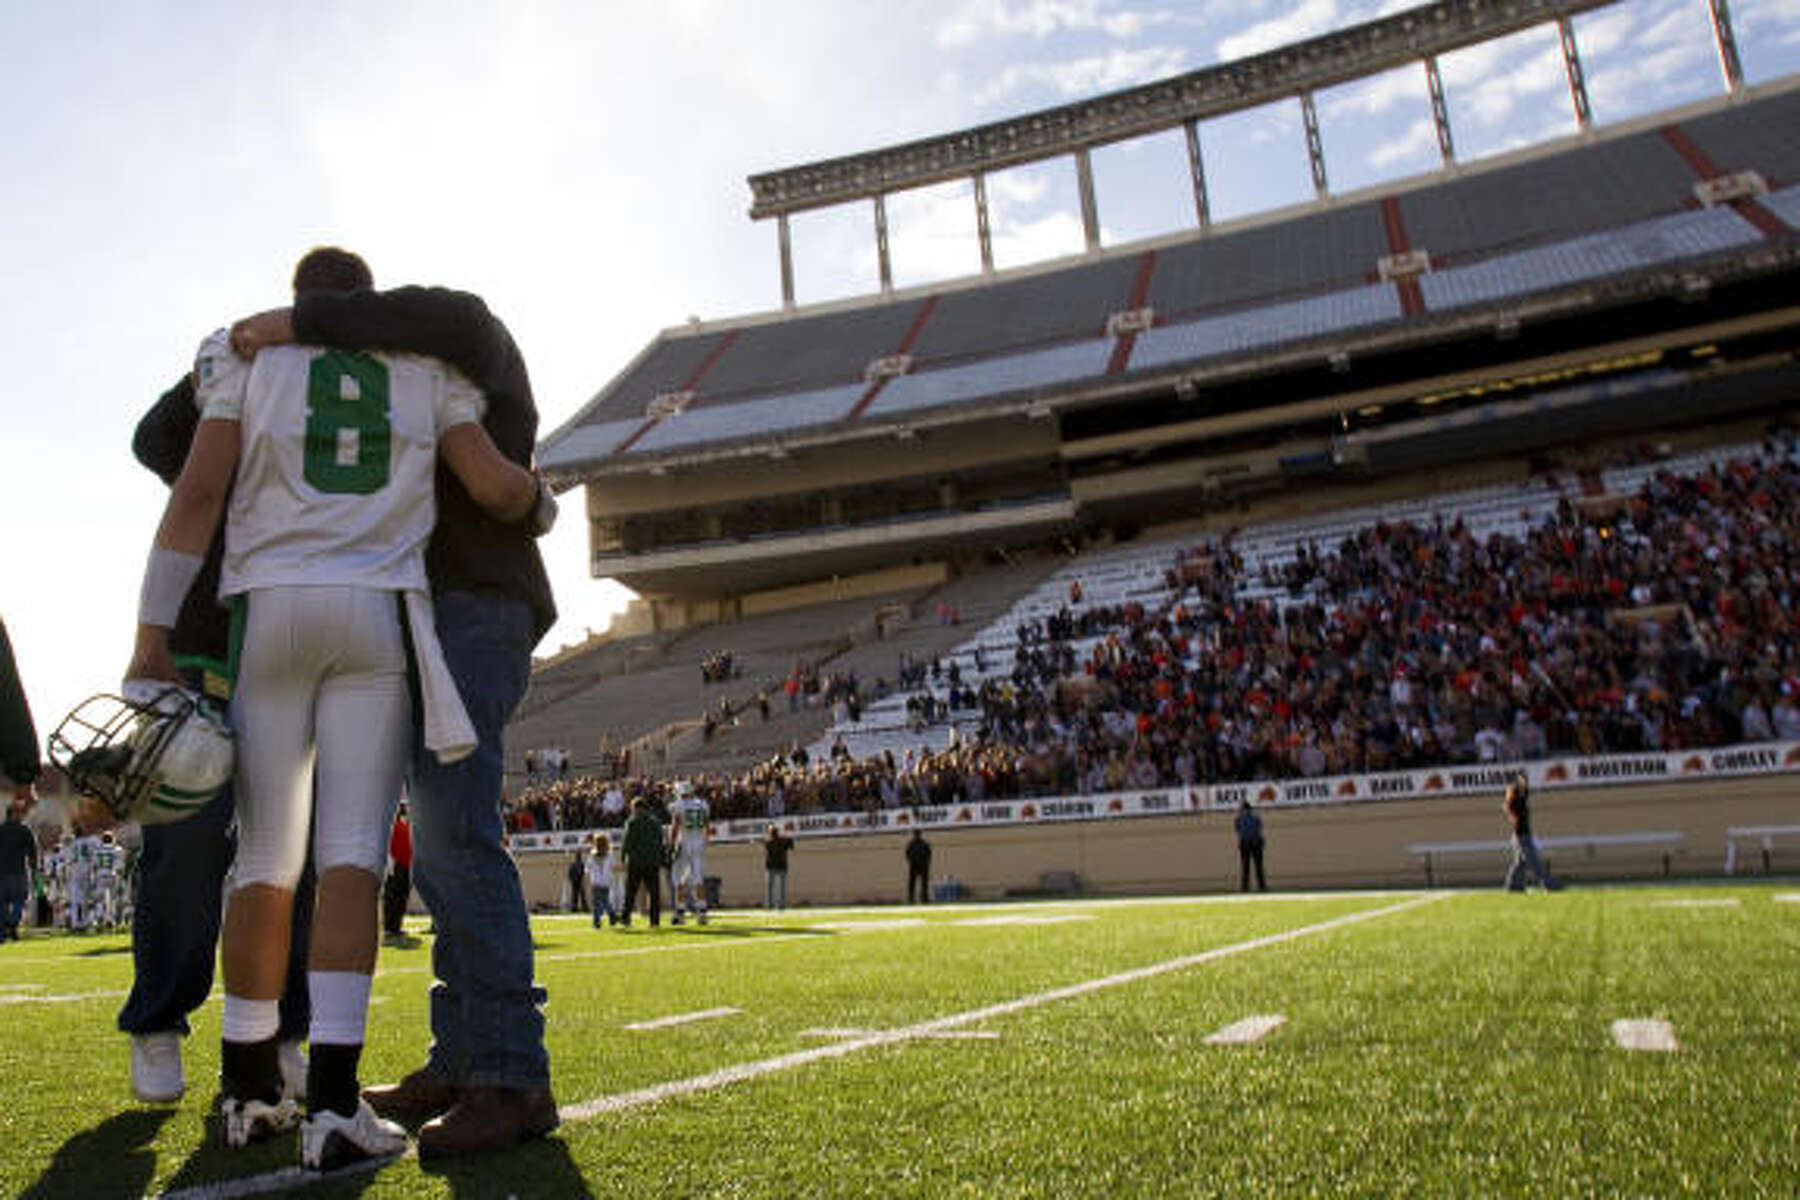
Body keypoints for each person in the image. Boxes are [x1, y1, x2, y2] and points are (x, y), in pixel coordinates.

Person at [128, 246, 540, 1170]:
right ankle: (333, 1106)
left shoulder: (244, 353)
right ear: (370, 300)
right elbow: (492, 486)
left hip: (266, 612)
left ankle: (248, 1088)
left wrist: (152, 634)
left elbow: (194, 492)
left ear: (299, 299)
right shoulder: (427, 364)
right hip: (377, 614)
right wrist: (537, 500)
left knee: (264, 860)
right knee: (350, 858)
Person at [230, 275, 561, 1158]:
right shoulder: (419, 374)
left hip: (474, 603)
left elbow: (438, 318)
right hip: (425, 611)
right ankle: (462, 1056)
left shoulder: (463, 335)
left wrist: (300, 322)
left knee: (455, 837)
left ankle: (511, 1075)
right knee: (441, 846)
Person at [123, 283, 324, 1110]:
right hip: (209, 639)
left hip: (293, 639)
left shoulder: (336, 399)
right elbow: (156, 443)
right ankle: (159, 1018)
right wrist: (209, 373)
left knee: (296, 857)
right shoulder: (242, 381)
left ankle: (279, 1032)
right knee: (187, 838)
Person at [1503, 771, 1561, 892]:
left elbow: (1526, 792)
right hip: (1522, 836)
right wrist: (1522, 781)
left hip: (1521, 836)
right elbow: (1524, 793)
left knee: (1520, 863)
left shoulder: (1518, 800)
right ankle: (1549, 884)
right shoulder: (1517, 802)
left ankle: (1513, 885)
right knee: (1535, 862)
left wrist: (1523, 779)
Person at [667, 782, 710, 926]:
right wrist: (704, 841)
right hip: (698, 844)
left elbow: (675, 826)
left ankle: (680, 913)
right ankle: (702, 911)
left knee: (678, 878)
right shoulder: (702, 804)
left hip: (684, 843)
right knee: (698, 879)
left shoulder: (679, 806)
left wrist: (671, 845)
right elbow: (707, 825)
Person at [620, 798, 664, 927]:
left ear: (637, 808)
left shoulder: (632, 822)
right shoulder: (655, 822)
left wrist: (623, 858)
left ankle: (625, 918)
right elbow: (660, 841)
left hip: (636, 861)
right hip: (652, 861)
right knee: (654, 893)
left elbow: (627, 842)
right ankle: (654, 920)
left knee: (630, 893)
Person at [0, 800, 37, 943]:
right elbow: (33, 851)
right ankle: (12, 924)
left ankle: (3, 930)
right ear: (14, 814)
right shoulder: (24, 830)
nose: (22, 816)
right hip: (18, 872)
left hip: (1, 873)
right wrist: (34, 869)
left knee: (1, 903)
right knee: (19, 900)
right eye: (20, 813)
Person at [383, 804, 414, 943]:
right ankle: (390, 927)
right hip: (396, 865)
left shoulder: (405, 826)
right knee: (393, 897)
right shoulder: (392, 827)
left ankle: (396, 926)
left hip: (406, 865)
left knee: (402, 897)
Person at [586, 832, 618, 928]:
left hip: (596, 882)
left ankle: (597, 921)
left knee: (597, 903)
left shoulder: (592, 856)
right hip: (605, 882)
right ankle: (611, 914)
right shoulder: (609, 855)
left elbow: (587, 869)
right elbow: (613, 866)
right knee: (605, 901)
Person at [1234, 800, 1266, 893]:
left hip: (1246, 843)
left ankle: (1245, 887)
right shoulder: (1256, 818)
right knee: (1258, 866)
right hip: (1256, 842)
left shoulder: (1238, 819)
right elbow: (1259, 828)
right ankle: (1261, 886)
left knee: (1245, 866)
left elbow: (1238, 831)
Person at [763, 823, 794, 911]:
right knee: (781, 888)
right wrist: (787, 835)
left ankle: (769, 905)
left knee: (769, 887)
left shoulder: (768, 841)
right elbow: (791, 846)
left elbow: (767, 845)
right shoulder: (783, 840)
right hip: (782, 865)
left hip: (771, 866)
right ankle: (781, 905)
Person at [905, 829, 932, 904]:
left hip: (918, 865)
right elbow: (907, 854)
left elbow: (928, 855)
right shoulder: (921, 844)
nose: (916, 836)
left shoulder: (914, 844)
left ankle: (916, 898)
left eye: (917, 834)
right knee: (919, 883)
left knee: (918, 883)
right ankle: (918, 898)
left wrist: (912, 861)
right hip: (918, 865)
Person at [566, 847, 587, 914]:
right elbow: (583, 872)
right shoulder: (581, 863)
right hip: (578, 880)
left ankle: (575, 908)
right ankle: (584, 908)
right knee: (581, 895)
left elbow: (570, 873)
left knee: (575, 895)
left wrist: (572, 879)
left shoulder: (573, 864)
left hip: (575, 881)